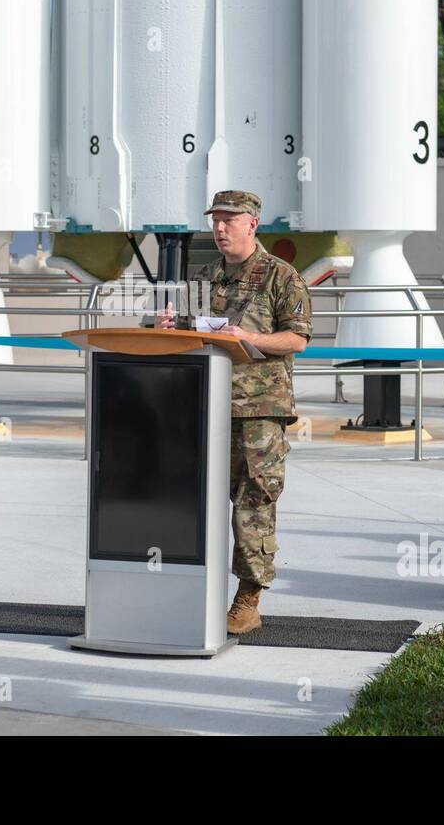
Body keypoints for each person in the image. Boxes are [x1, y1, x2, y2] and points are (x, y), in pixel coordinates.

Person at [156, 190, 312, 635]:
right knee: (197, 501)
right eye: (216, 220)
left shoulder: (281, 276)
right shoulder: (204, 277)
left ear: (252, 224)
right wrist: (165, 330)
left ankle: (248, 599)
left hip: (259, 412)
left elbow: (297, 339)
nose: (220, 228)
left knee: (253, 504)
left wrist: (248, 338)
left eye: (230, 219)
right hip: (206, 404)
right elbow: (187, 332)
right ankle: (194, 589)